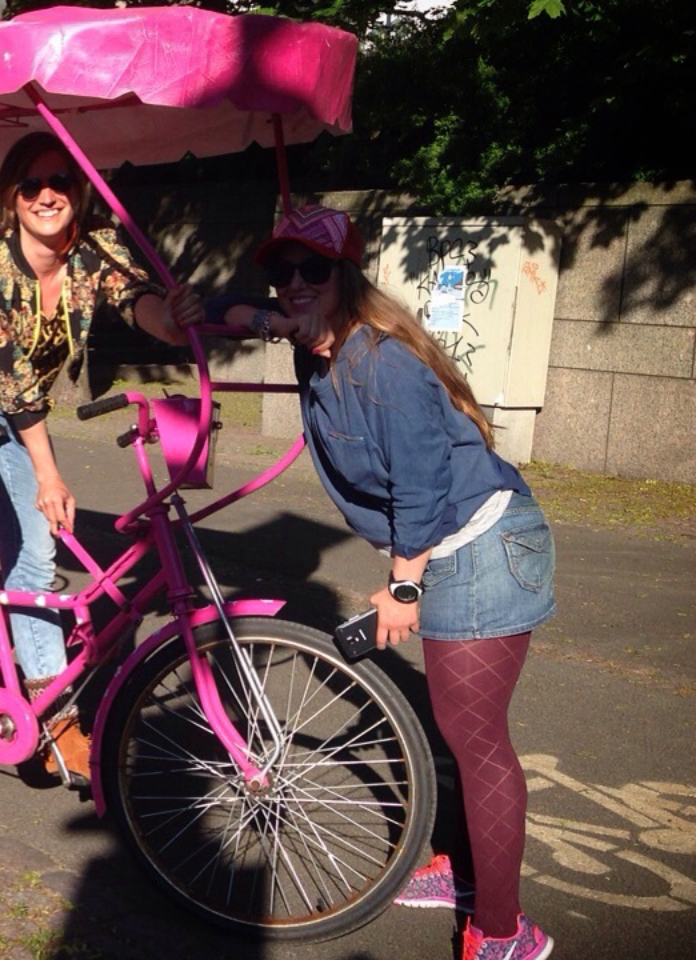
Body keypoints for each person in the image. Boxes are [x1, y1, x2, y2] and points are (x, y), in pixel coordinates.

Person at [218, 205, 556, 960]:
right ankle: (466, 875)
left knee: (478, 741)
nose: (294, 284)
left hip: (481, 544)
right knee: (458, 728)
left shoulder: (384, 361)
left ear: (345, 275)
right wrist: (248, 315)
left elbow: (423, 482)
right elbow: (235, 312)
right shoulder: (318, 342)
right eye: (282, 272)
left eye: (312, 269)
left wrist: (403, 587)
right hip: (453, 546)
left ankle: (502, 932)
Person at [0, 131, 203, 785]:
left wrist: (172, 321)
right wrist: (49, 471)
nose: (47, 194)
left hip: (15, 415)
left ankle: (55, 721)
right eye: (31, 184)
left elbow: (136, 298)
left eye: (60, 180)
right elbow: (9, 377)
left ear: (78, 189)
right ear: (12, 196)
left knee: (36, 561)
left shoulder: (96, 251)